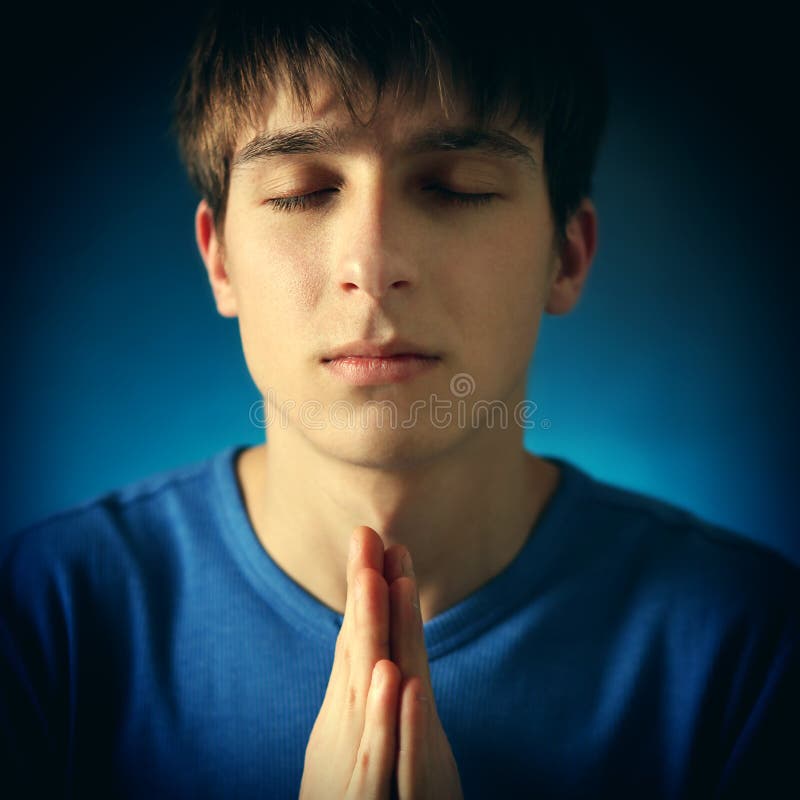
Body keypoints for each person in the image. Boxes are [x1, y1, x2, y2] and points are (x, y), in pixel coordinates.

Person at [1, 2, 797, 798]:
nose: (373, 264)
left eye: (453, 187)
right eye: (305, 190)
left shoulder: (750, 648)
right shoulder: (46, 621)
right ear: (221, 263)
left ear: (567, 254)